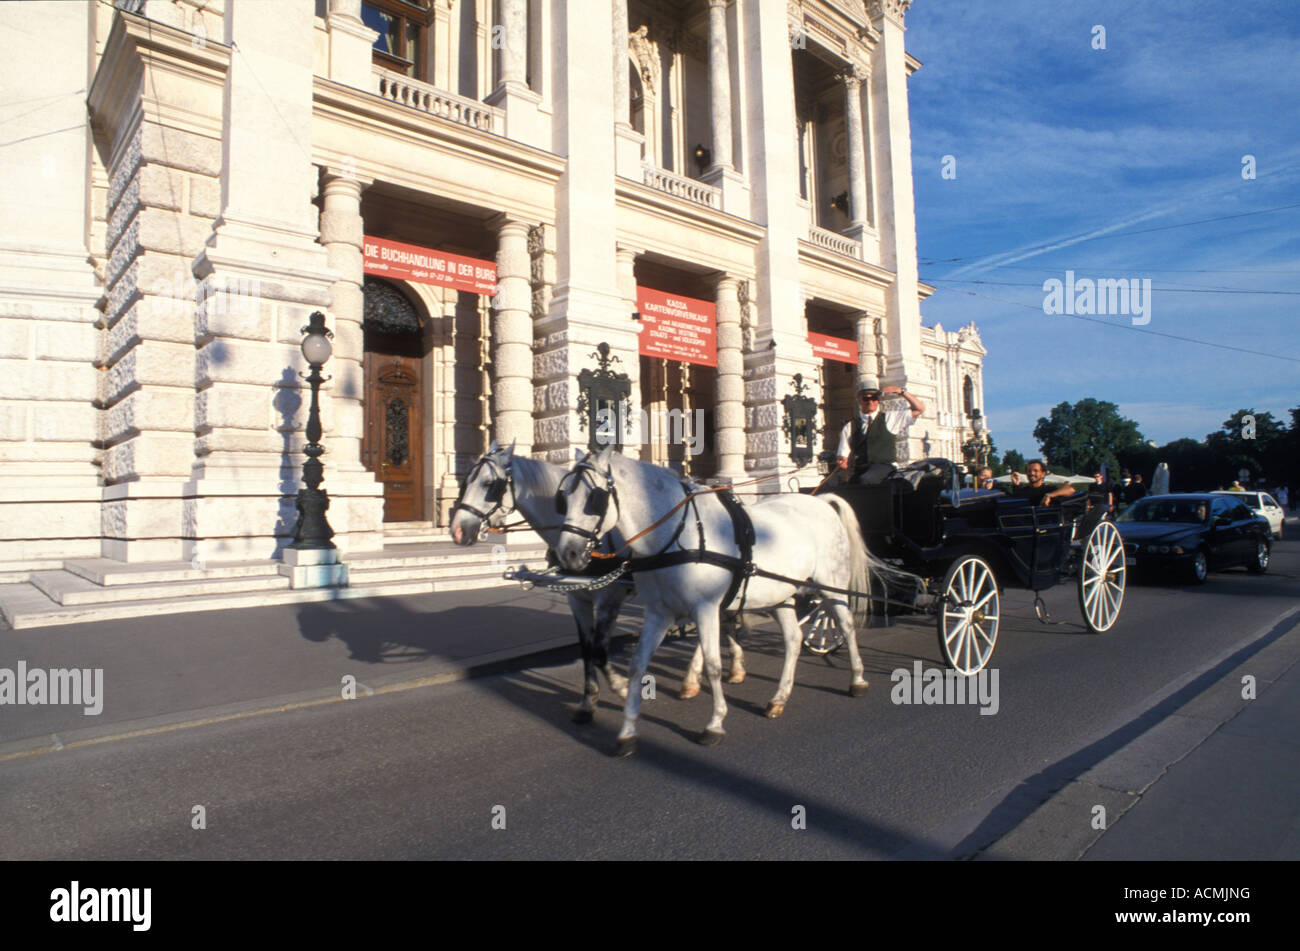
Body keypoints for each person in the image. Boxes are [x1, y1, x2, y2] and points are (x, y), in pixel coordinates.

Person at [836, 382, 926, 485]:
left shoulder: (890, 418)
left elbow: (919, 409)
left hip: (884, 467)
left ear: (878, 401)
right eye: (866, 399)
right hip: (861, 468)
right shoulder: (850, 426)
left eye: (874, 398)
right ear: (859, 401)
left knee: (865, 481)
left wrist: (902, 392)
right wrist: (842, 460)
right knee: (839, 485)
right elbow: (842, 455)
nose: (870, 402)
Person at [1010, 459, 1076, 507]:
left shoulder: (1049, 489)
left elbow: (1070, 489)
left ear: (1043, 474)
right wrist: (1016, 485)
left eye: (1035, 471)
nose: (1032, 473)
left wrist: (1049, 495)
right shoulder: (1023, 491)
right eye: (1029, 471)